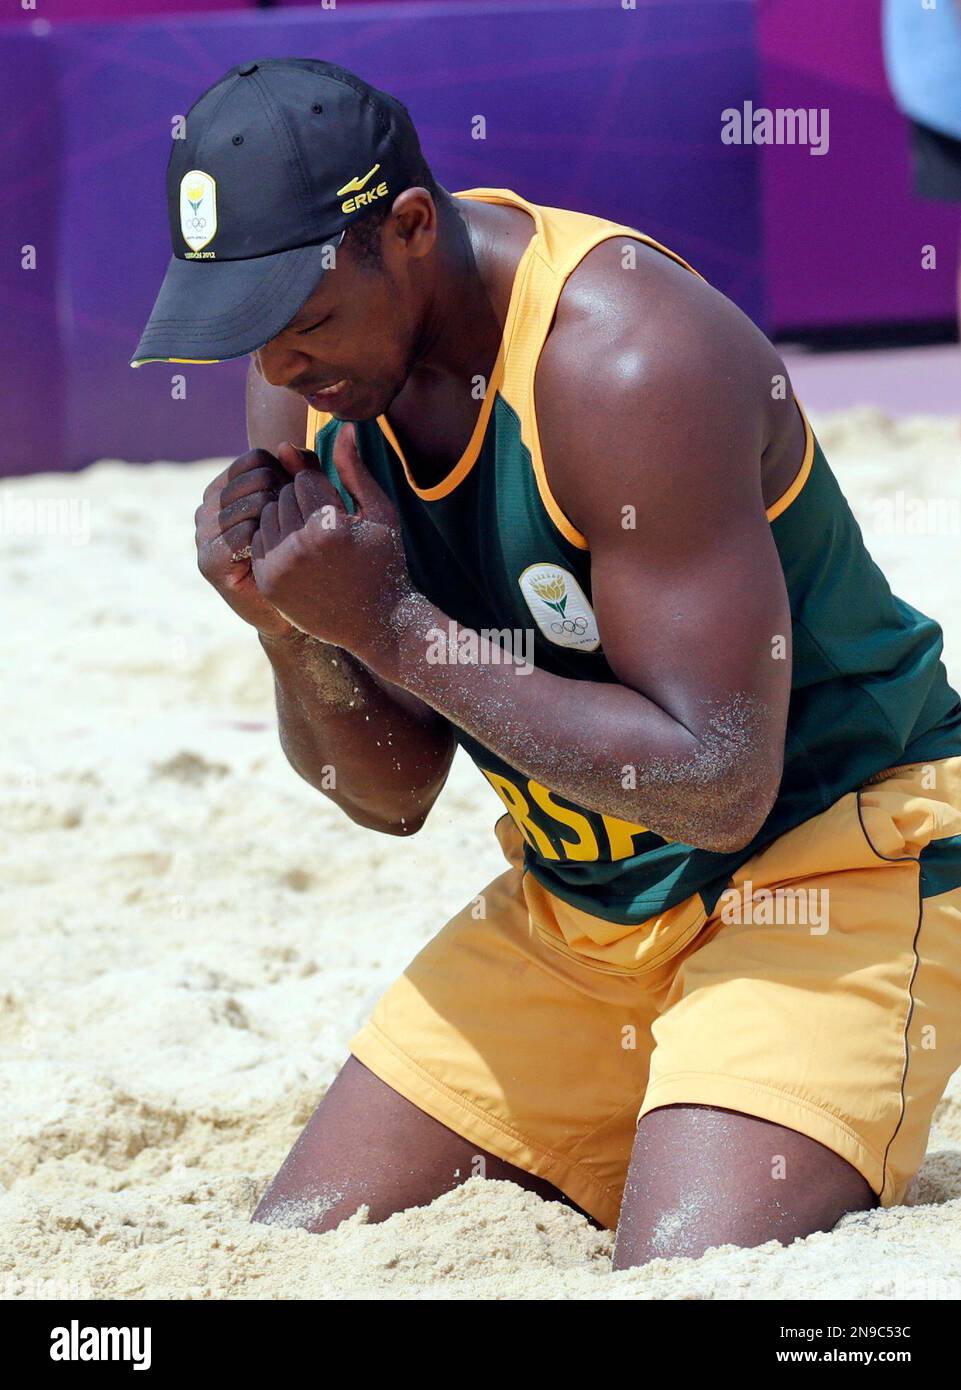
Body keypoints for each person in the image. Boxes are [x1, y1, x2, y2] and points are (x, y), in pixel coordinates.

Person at [133, 58, 961, 1268]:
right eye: (246, 335)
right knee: (293, 1252)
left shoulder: (627, 358)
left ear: (409, 228)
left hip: (828, 857)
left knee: (682, 1271)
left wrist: (392, 629)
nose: (275, 370)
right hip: (582, 900)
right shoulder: (312, 385)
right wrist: (286, 630)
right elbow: (393, 798)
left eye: (300, 321)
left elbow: (721, 783)